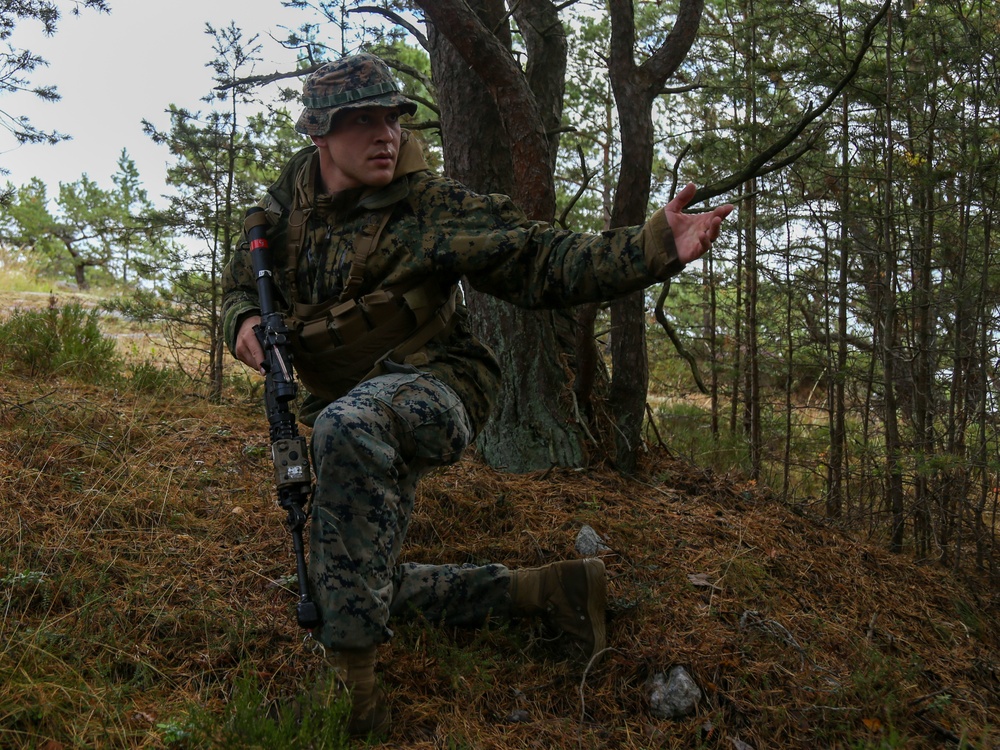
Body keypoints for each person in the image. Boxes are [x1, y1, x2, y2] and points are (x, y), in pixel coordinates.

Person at [222, 52, 734, 738]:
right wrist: (244, 324)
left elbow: (542, 260)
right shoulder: (283, 208)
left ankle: (352, 700)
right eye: (362, 122)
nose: (386, 136)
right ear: (318, 134)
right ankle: (546, 592)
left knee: (347, 433)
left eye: (394, 120)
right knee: (344, 579)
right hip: (340, 406)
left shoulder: (434, 208)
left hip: (437, 388)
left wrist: (650, 247)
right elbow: (237, 287)